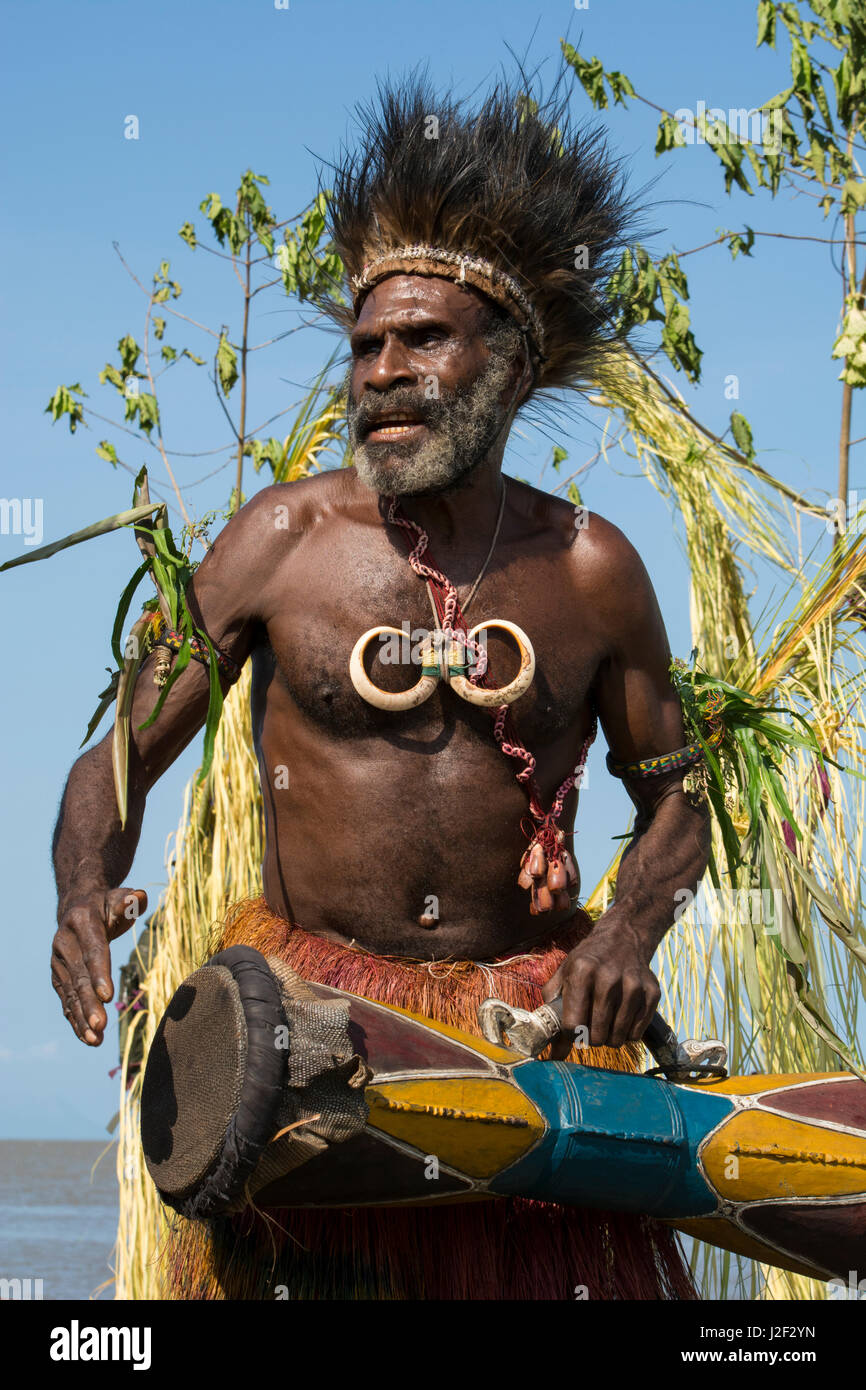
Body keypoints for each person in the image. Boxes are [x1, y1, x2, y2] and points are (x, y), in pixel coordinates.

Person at [50, 76, 709, 1299]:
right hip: (311, 1041)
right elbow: (117, 757)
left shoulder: (591, 569)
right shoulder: (281, 542)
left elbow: (679, 799)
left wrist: (625, 931)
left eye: (423, 340)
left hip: (529, 1054)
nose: (381, 372)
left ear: (508, 361)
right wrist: (82, 887)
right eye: (364, 346)